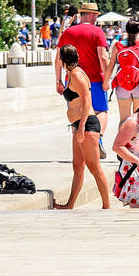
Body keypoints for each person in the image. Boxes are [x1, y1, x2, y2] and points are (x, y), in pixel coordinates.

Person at [52, 46, 111, 209]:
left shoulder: (77, 75)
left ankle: (107, 205)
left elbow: (87, 100)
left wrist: (82, 126)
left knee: (94, 167)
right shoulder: (71, 74)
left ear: (64, 60)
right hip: (78, 125)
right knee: (78, 166)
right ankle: (70, 204)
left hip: (87, 125)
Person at [59, 1, 111, 155]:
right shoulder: (97, 32)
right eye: (95, 15)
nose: (96, 17)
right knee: (101, 110)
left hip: (72, 79)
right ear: (90, 15)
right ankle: (97, 139)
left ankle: (80, 145)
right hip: (94, 78)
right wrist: (107, 79)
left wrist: (58, 80)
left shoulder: (68, 32)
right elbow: (103, 56)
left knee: (76, 111)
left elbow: (58, 57)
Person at [108, 20, 139, 128]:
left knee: (124, 119)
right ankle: (136, 143)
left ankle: (121, 144)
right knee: (138, 119)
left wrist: (105, 83)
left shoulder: (117, 46)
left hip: (122, 85)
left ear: (126, 30)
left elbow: (110, 67)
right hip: (138, 85)